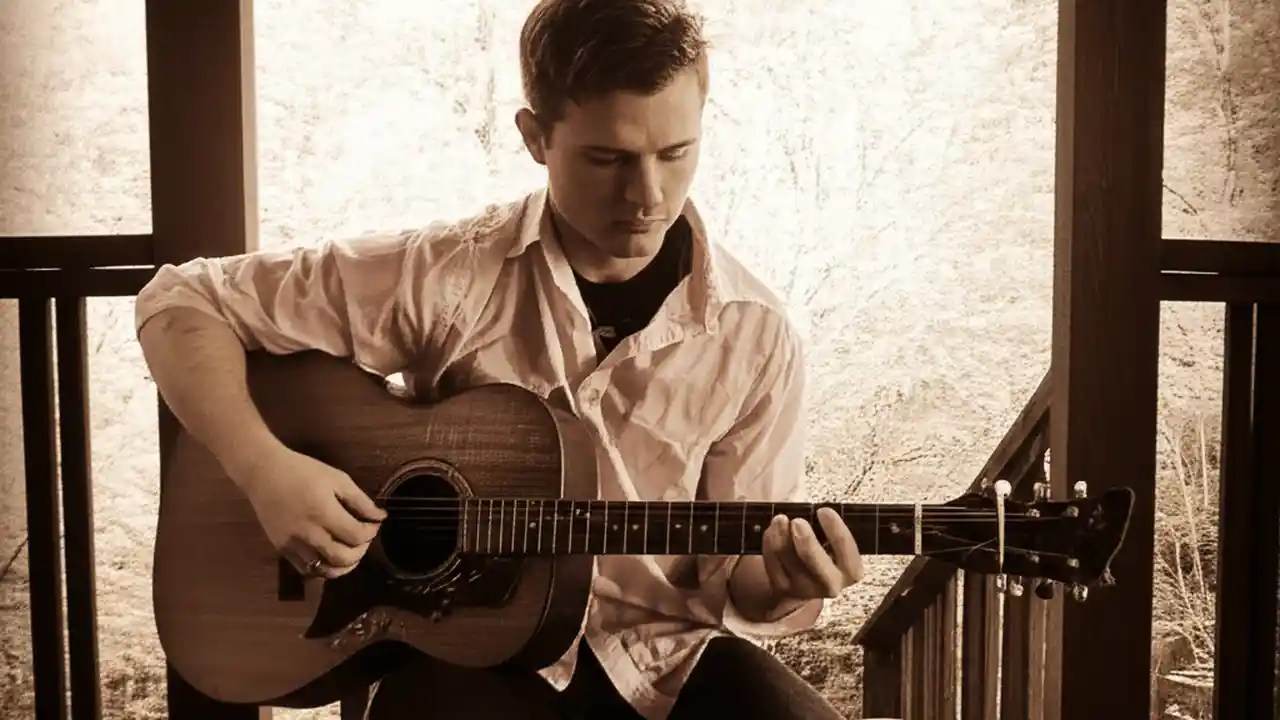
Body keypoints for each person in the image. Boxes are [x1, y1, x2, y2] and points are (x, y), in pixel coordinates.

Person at [135, 0, 865, 718]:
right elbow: (180, 303)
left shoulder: (756, 334)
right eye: (608, 158)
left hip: (668, 658)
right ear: (535, 137)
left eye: (676, 154)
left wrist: (782, 581)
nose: (647, 195)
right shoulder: (447, 275)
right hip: (471, 655)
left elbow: (736, 577)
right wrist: (265, 471)